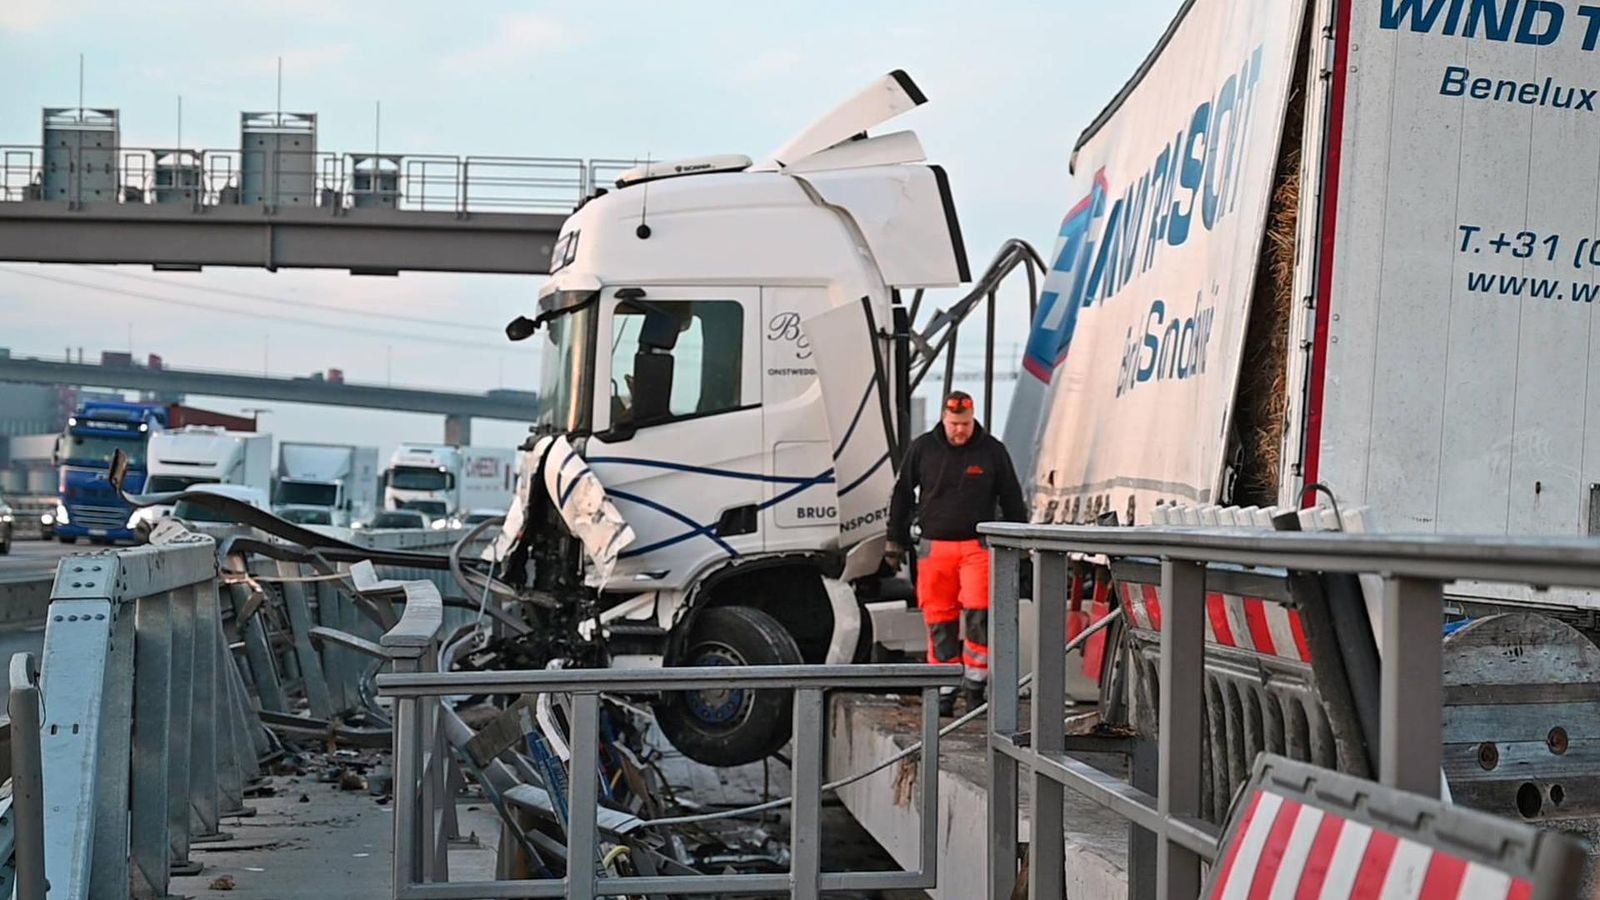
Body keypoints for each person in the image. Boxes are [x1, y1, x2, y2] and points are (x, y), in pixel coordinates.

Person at [886, 391, 1027, 714]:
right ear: (943, 419)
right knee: (939, 618)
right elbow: (902, 494)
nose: (959, 430)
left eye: (964, 424)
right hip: (935, 549)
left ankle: (976, 686)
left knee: (979, 615)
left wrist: (1019, 546)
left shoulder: (992, 451)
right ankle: (946, 688)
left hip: (977, 548)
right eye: (953, 424)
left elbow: (1012, 498)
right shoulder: (923, 448)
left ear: (972, 417)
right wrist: (893, 540)